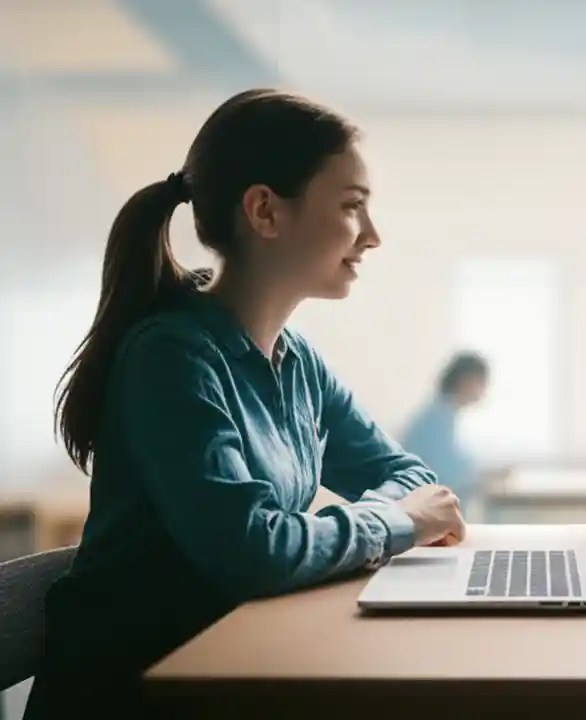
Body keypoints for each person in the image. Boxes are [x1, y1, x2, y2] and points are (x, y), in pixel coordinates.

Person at [27, 89, 467, 717]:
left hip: (234, 667)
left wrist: (377, 520)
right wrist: (395, 523)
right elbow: (253, 554)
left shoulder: (298, 361)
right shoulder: (171, 357)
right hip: (138, 697)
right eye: (352, 206)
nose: (372, 236)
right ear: (265, 211)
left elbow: (411, 477)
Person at [400, 352, 491, 508]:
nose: (484, 391)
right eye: (482, 383)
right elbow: (448, 470)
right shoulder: (437, 419)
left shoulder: (443, 414)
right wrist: (483, 477)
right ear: (466, 380)